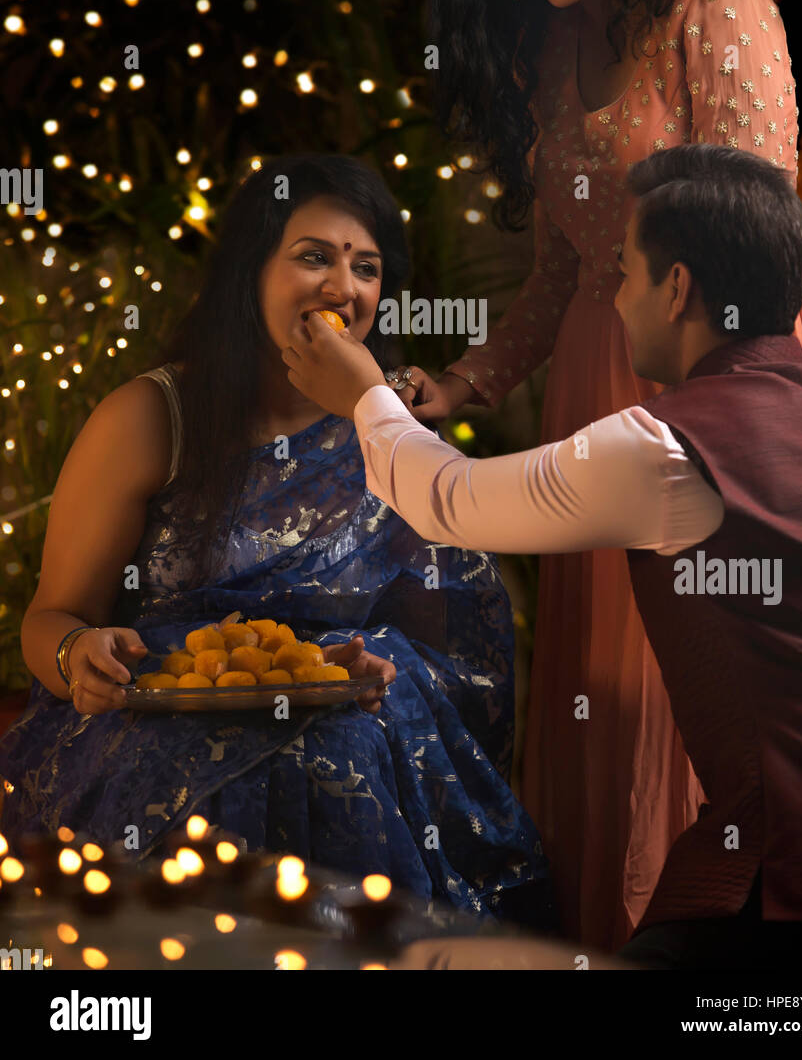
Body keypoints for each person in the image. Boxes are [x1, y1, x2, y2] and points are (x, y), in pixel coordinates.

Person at [393, 0, 802, 949]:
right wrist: (469, 382)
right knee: (605, 682)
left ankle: (715, 956)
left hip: (711, 359)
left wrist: (703, 400)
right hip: (601, 360)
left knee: (698, 687)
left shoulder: (713, 1)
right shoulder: (552, 42)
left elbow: (752, 234)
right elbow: (558, 270)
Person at [284, 144, 802, 970]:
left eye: (623, 275)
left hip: (796, 884)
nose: (618, 302)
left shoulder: (665, 451)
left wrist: (362, 395)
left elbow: (452, 500)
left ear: (677, 289)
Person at [0, 154, 552, 927]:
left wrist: (377, 666)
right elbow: (50, 618)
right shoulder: (154, 416)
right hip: (155, 721)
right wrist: (75, 658)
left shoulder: (387, 427)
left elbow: (457, 646)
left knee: (341, 754)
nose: (344, 287)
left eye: (366, 267)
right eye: (313, 257)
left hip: (348, 727)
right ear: (248, 274)